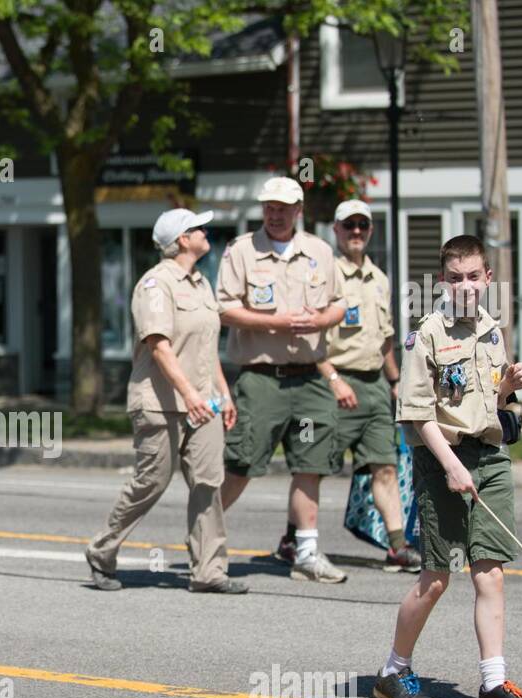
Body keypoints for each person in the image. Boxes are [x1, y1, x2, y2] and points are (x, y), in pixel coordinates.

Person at [374, 234, 522, 698]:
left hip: (490, 457)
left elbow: (491, 405)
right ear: (442, 281)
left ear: (488, 278)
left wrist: (507, 390)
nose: (465, 286)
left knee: (490, 571)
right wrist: (450, 464)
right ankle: (393, 671)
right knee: (436, 578)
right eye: (454, 278)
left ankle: (493, 683)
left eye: (474, 276)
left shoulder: (493, 330)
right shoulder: (426, 333)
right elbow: (416, 413)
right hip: (441, 459)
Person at [85, 208, 245, 595]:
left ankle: (208, 571)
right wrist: (190, 394)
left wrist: (221, 394)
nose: (206, 232)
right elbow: (159, 346)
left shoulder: (201, 283)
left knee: (208, 482)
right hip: (160, 403)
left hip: (202, 403)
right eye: (197, 228)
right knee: (151, 483)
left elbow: (207, 350)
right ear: (181, 239)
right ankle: (101, 551)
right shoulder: (155, 285)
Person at [215, 176, 349, 583]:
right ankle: (204, 536)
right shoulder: (241, 251)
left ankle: (306, 551)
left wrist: (323, 318)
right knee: (242, 462)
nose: (275, 215)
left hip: (309, 381)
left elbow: (340, 303)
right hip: (261, 378)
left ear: (298, 211)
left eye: (283, 208)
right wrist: (274, 322)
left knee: (310, 463)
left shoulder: (320, 252)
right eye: (269, 208)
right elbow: (223, 308)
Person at [281, 199, 421, 572]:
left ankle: (397, 547)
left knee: (384, 466)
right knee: (314, 467)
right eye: (349, 226)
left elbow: (385, 339)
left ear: (371, 230)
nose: (356, 232)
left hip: (374, 385)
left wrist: (396, 382)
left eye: (363, 225)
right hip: (332, 382)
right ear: (337, 230)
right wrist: (334, 380)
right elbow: (308, 340)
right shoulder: (325, 276)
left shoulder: (380, 279)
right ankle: (292, 539)